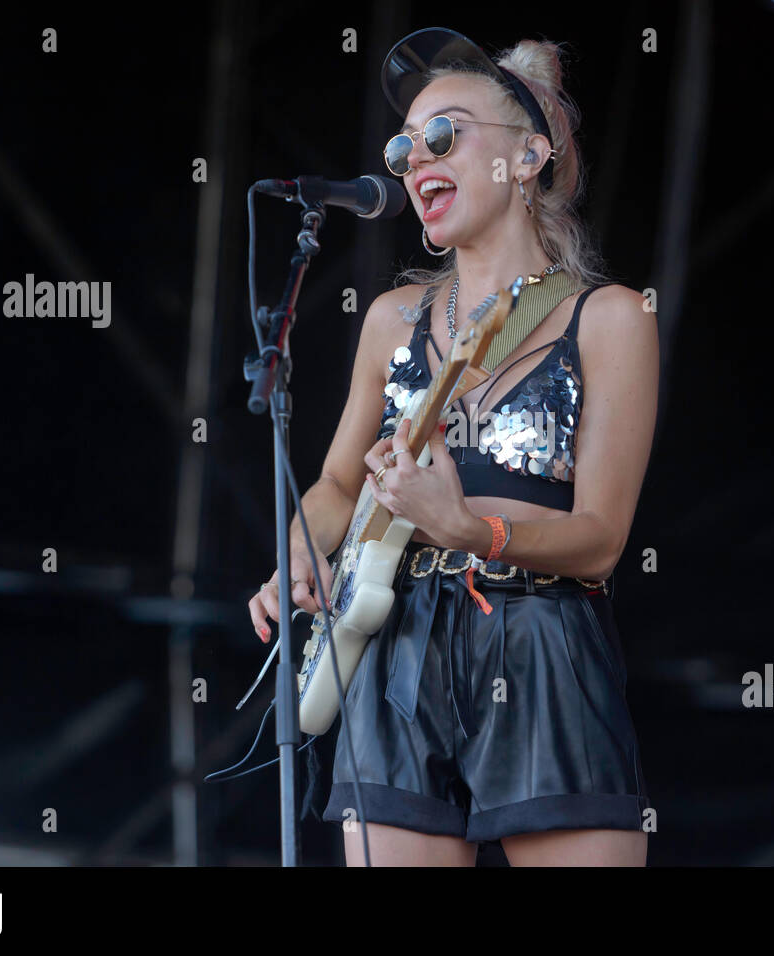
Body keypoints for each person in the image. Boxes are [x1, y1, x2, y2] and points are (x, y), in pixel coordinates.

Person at [247, 28, 658, 866]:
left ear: (529, 156)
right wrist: (301, 552)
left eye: (445, 135)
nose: (413, 159)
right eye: (403, 148)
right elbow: (331, 482)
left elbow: (603, 541)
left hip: (541, 639)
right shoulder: (392, 320)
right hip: (393, 633)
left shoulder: (610, 318)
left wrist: (476, 532)